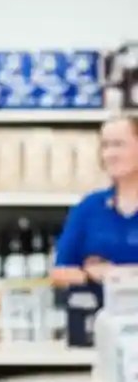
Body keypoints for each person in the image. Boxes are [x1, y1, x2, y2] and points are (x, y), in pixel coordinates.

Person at [52, 115, 138, 287]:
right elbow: (59, 272)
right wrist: (89, 275)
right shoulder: (89, 207)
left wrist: (122, 274)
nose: (110, 154)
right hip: (99, 311)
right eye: (105, 146)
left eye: (119, 145)